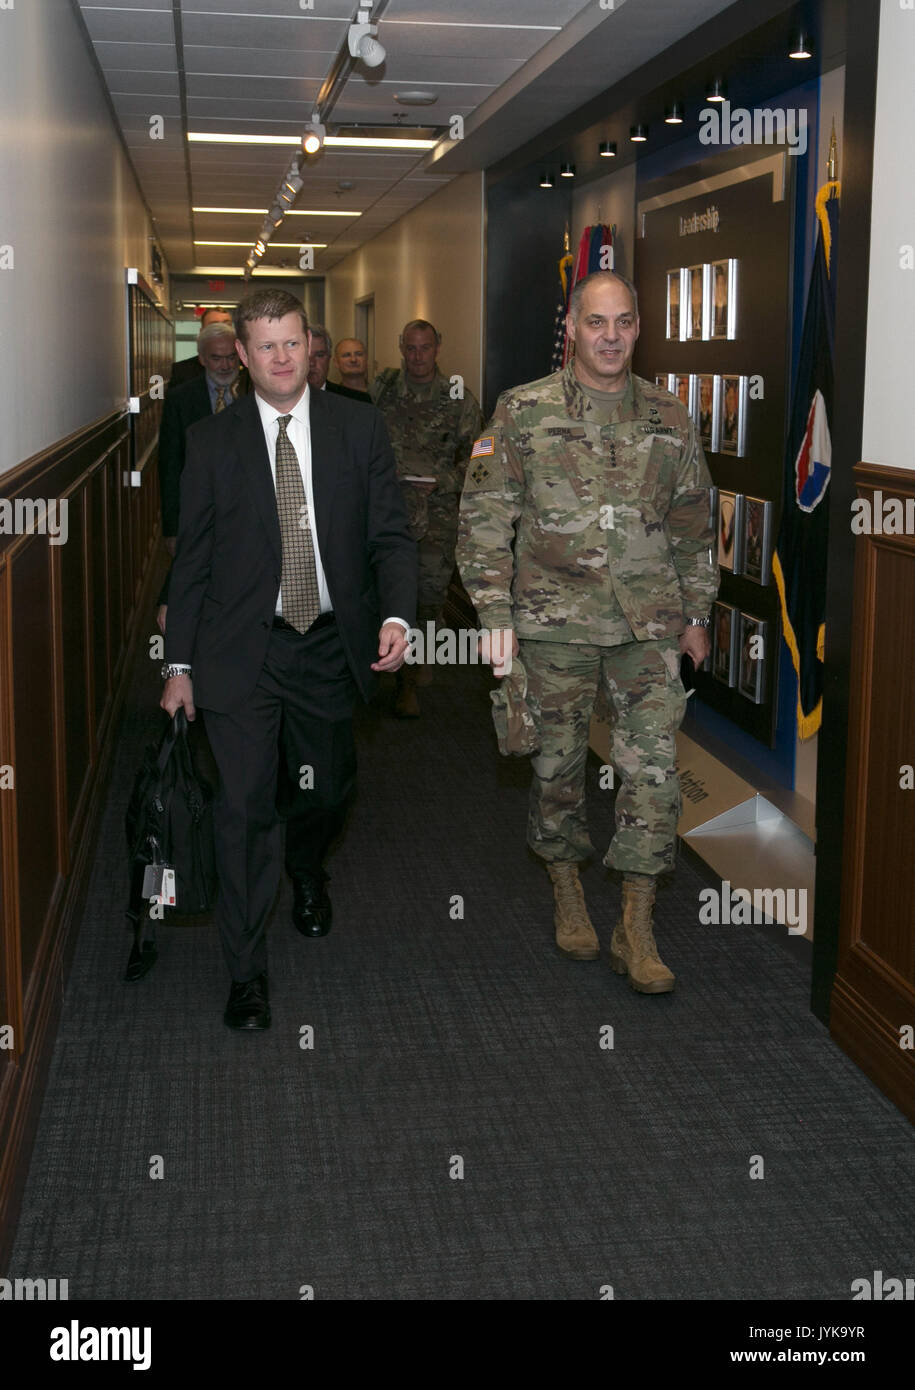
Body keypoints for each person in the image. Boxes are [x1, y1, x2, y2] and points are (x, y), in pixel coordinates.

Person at [160, 289, 416, 1030]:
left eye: (291, 342)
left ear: (311, 347)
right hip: (242, 654)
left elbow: (391, 539)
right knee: (241, 810)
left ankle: (308, 868)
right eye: (264, 345)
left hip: (331, 649)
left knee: (326, 791)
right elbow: (193, 565)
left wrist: (397, 615)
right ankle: (246, 972)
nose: (279, 357)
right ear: (240, 356)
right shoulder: (213, 443)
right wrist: (178, 666)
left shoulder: (358, 428)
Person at [457, 270, 718, 995]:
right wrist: (493, 617)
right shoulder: (522, 411)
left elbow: (696, 526)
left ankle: (636, 923)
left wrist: (696, 615)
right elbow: (483, 519)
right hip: (552, 626)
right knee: (555, 768)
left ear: (638, 328)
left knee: (653, 772)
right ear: (571, 327)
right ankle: (566, 883)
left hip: (647, 627)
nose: (610, 337)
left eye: (624, 323)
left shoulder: (669, 417)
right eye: (596, 323)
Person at [371, 319, 482, 716]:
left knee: (429, 599)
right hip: (389, 510)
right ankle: (398, 674)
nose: (418, 356)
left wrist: (445, 481)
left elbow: (480, 457)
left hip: (437, 515)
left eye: (426, 348)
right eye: (411, 348)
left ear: (438, 347)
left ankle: (415, 668)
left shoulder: (457, 396)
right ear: (402, 347)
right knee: (388, 591)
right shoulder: (382, 391)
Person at [156, 322, 249, 633]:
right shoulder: (182, 398)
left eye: (230, 358)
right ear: (201, 360)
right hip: (197, 508)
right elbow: (170, 463)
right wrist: (171, 526)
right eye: (216, 358)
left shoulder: (256, 392)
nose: (225, 366)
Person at [167, 307, 235, 391]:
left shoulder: (248, 369)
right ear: (202, 331)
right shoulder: (182, 371)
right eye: (214, 326)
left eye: (227, 325)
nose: (222, 330)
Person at [308, 325, 371, 402]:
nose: (311, 363)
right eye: (305, 356)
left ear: (329, 359)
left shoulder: (356, 400)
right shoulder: (289, 401)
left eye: (319, 355)